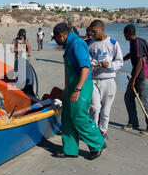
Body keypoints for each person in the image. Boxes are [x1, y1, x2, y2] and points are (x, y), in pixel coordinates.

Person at [51, 22, 105, 160]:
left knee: (79, 117)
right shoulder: (69, 45)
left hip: (81, 87)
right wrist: (67, 89)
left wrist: (77, 89)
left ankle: (98, 144)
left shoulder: (77, 44)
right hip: (70, 87)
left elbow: (85, 68)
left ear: (61, 35)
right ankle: (70, 150)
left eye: (56, 38)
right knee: (67, 118)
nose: (56, 42)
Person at [87, 20, 124, 137]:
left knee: (105, 111)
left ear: (101, 29)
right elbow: (86, 59)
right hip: (93, 80)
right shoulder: (89, 43)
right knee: (95, 108)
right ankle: (94, 131)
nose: (92, 34)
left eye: (94, 31)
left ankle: (102, 131)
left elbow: (120, 62)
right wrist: (91, 63)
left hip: (108, 80)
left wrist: (110, 65)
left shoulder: (113, 43)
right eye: (91, 31)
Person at [122, 24, 148, 134]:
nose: (124, 36)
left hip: (144, 76)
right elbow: (132, 55)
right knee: (128, 97)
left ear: (127, 34)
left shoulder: (137, 43)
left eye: (124, 34)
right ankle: (133, 123)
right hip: (137, 75)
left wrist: (133, 80)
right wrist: (121, 59)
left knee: (144, 100)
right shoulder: (133, 42)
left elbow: (140, 63)